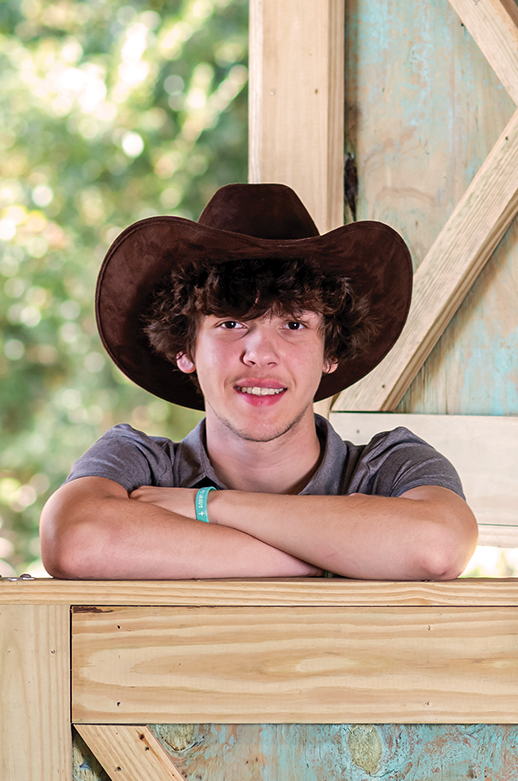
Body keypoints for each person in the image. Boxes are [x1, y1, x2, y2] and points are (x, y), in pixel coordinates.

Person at [40, 182, 478, 580]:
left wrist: (207, 507)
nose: (260, 354)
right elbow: (73, 542)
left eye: (292, 325)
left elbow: (437, 548)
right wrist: (329, 555)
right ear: (185, 349)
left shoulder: (390, 465)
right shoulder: (140, 464)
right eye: (231, 323)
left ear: (331, 352)